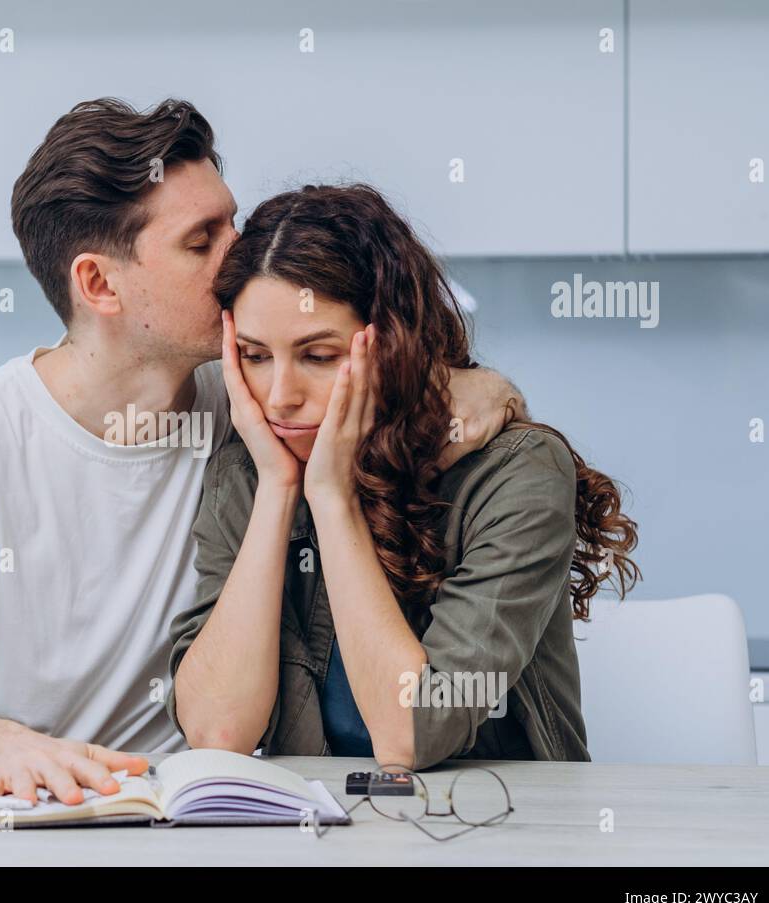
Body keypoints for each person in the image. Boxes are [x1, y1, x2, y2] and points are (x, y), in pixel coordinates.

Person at [0, 99, 525, 803]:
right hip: (20, 808)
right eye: (201, 241)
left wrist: (476, 387)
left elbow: (388, 365)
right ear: (98, 283)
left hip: (185, 807)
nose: (243, 255)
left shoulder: (251, 402)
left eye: (233, 222)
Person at [167, 183, 641, 769]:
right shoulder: (252, 467)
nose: (280, 397)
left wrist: (333, 498)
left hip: (498, 830)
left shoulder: (515, 474)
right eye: (255, 356)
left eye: (319, 356)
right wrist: (279, 491)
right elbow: (217, 731)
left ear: (393, 344)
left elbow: (410, 735)